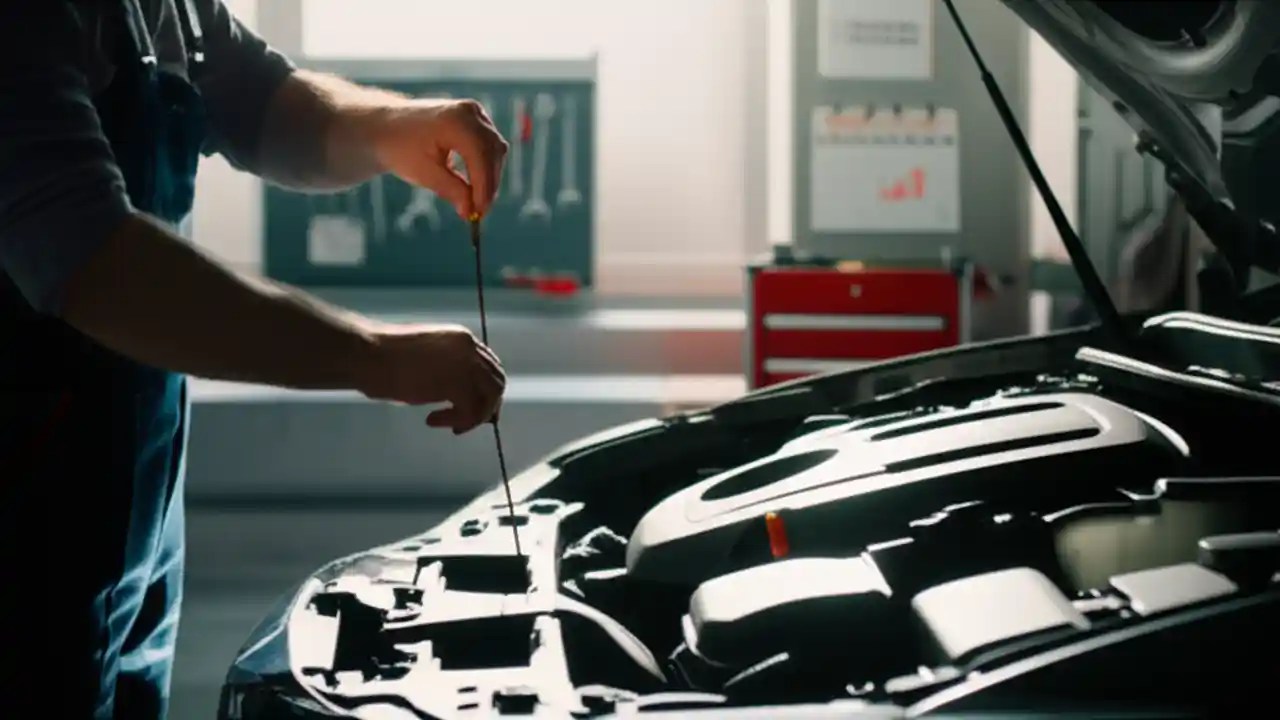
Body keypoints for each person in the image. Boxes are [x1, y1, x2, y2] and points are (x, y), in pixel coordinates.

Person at [0, 2, 510, 718]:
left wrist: (397, 129)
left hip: (133, 530)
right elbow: (96, 264)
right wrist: (375, 357)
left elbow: (266, 104)